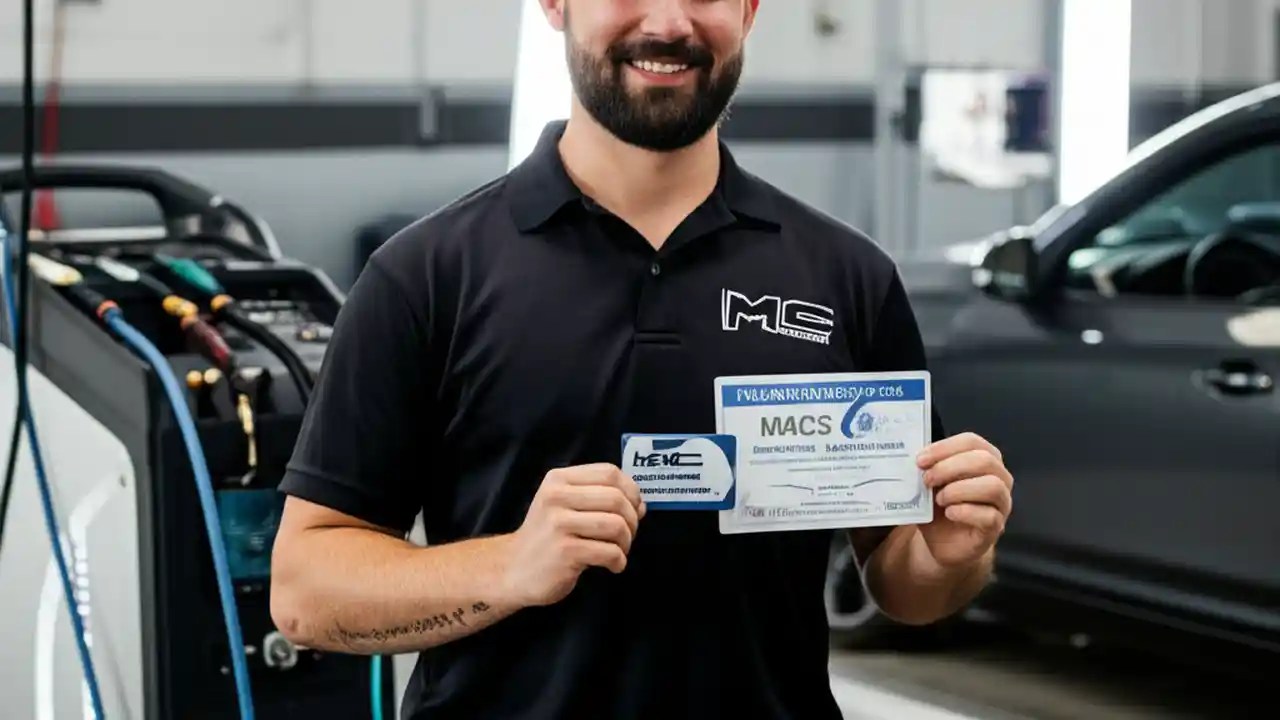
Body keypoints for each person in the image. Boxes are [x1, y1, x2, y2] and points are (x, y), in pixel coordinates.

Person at [269, 1, 1015, 718]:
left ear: (749, 10)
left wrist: (951, 556)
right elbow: (306, 594)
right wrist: (509, 567)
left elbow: (904, 585)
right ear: (555, 4)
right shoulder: (427, 276)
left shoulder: (845, 275)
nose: (667, 23)